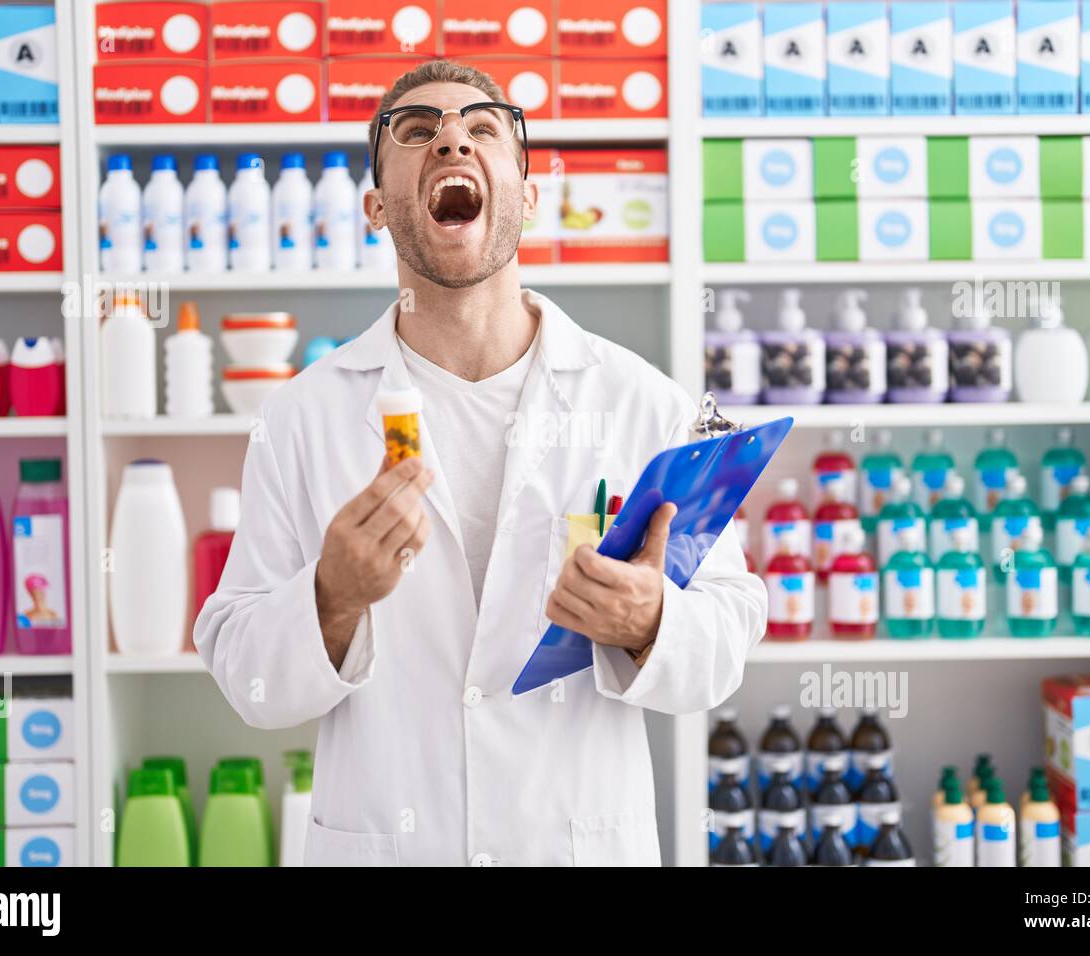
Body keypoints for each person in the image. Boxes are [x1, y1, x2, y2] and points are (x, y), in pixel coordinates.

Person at [195, 60, 766, 866]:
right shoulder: (301, 419)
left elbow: (730, 631)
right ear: (376, 209)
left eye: (482, 128)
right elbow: (244, 673)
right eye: (417, 131)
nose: (451, 139)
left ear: (528, 199)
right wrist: (330, 598)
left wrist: (649, 624)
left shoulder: (645, 403)